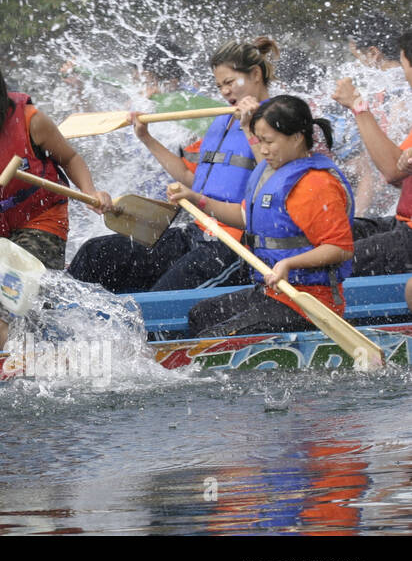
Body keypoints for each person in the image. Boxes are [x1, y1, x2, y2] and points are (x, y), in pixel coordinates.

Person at [68, 37, 282, 294]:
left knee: (159, 297)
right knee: (97, 254)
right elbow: (190, 179)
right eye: (219, 85)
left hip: (234, 248)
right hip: (196, 234)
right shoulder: (221, 121)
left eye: (229, 82)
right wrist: (146, 137)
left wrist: (249, 128)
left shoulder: (279, 119)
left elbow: (277, 181)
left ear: (256, 74)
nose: (224, 92)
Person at [0, 51, 111, 352]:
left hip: (40, 219)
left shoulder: (32, 122)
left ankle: (24, 373)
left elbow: (70, 158)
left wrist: (90, 191)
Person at [171, 96, 354, 337]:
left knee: (215, 337)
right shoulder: (270, 173)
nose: (263, 149)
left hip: (310, 303)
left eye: (269, 141)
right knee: (202, 314)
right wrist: (196, 199)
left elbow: (340, 248)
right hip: (272, 293)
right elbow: (242, 216)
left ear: (298, 137)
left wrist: (289, 263)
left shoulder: (316, 185)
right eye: (259, 141)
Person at [332, 30, 412, 276]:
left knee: (332, 262)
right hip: (401, 225)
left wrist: (357, 105)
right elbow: (399, 173)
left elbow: (391, 172)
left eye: (403, 63)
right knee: (329, 235)